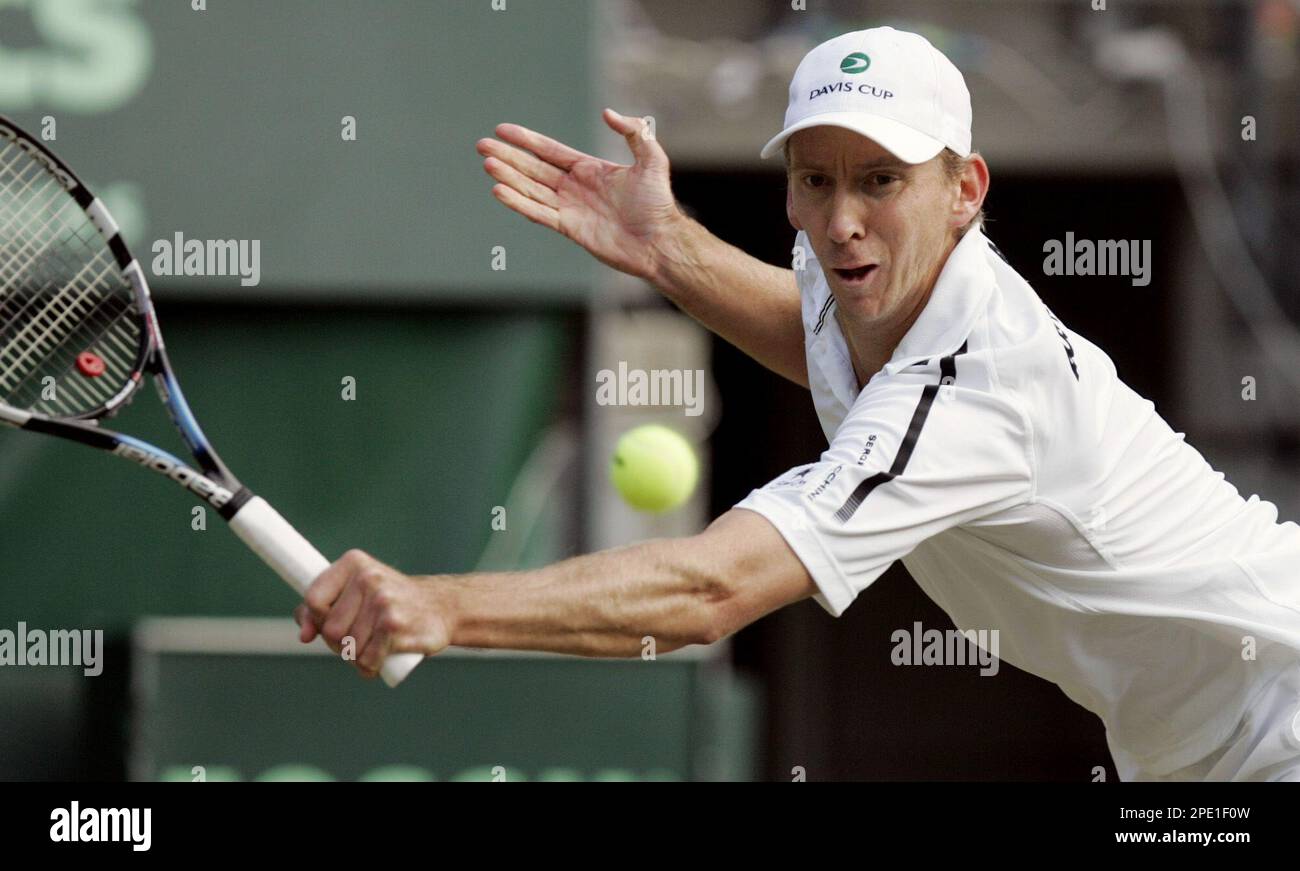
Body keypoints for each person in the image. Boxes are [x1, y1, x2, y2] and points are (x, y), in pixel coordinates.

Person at [297, 26, 1300, 781]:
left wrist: (443, 605)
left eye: (880, 180)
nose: (840, 219)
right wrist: (666, 249)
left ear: (965, 189)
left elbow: (706, 594)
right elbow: (816, 332)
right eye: (813, 179)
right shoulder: (877, 292)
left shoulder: (968, 389)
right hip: (1202, 756)